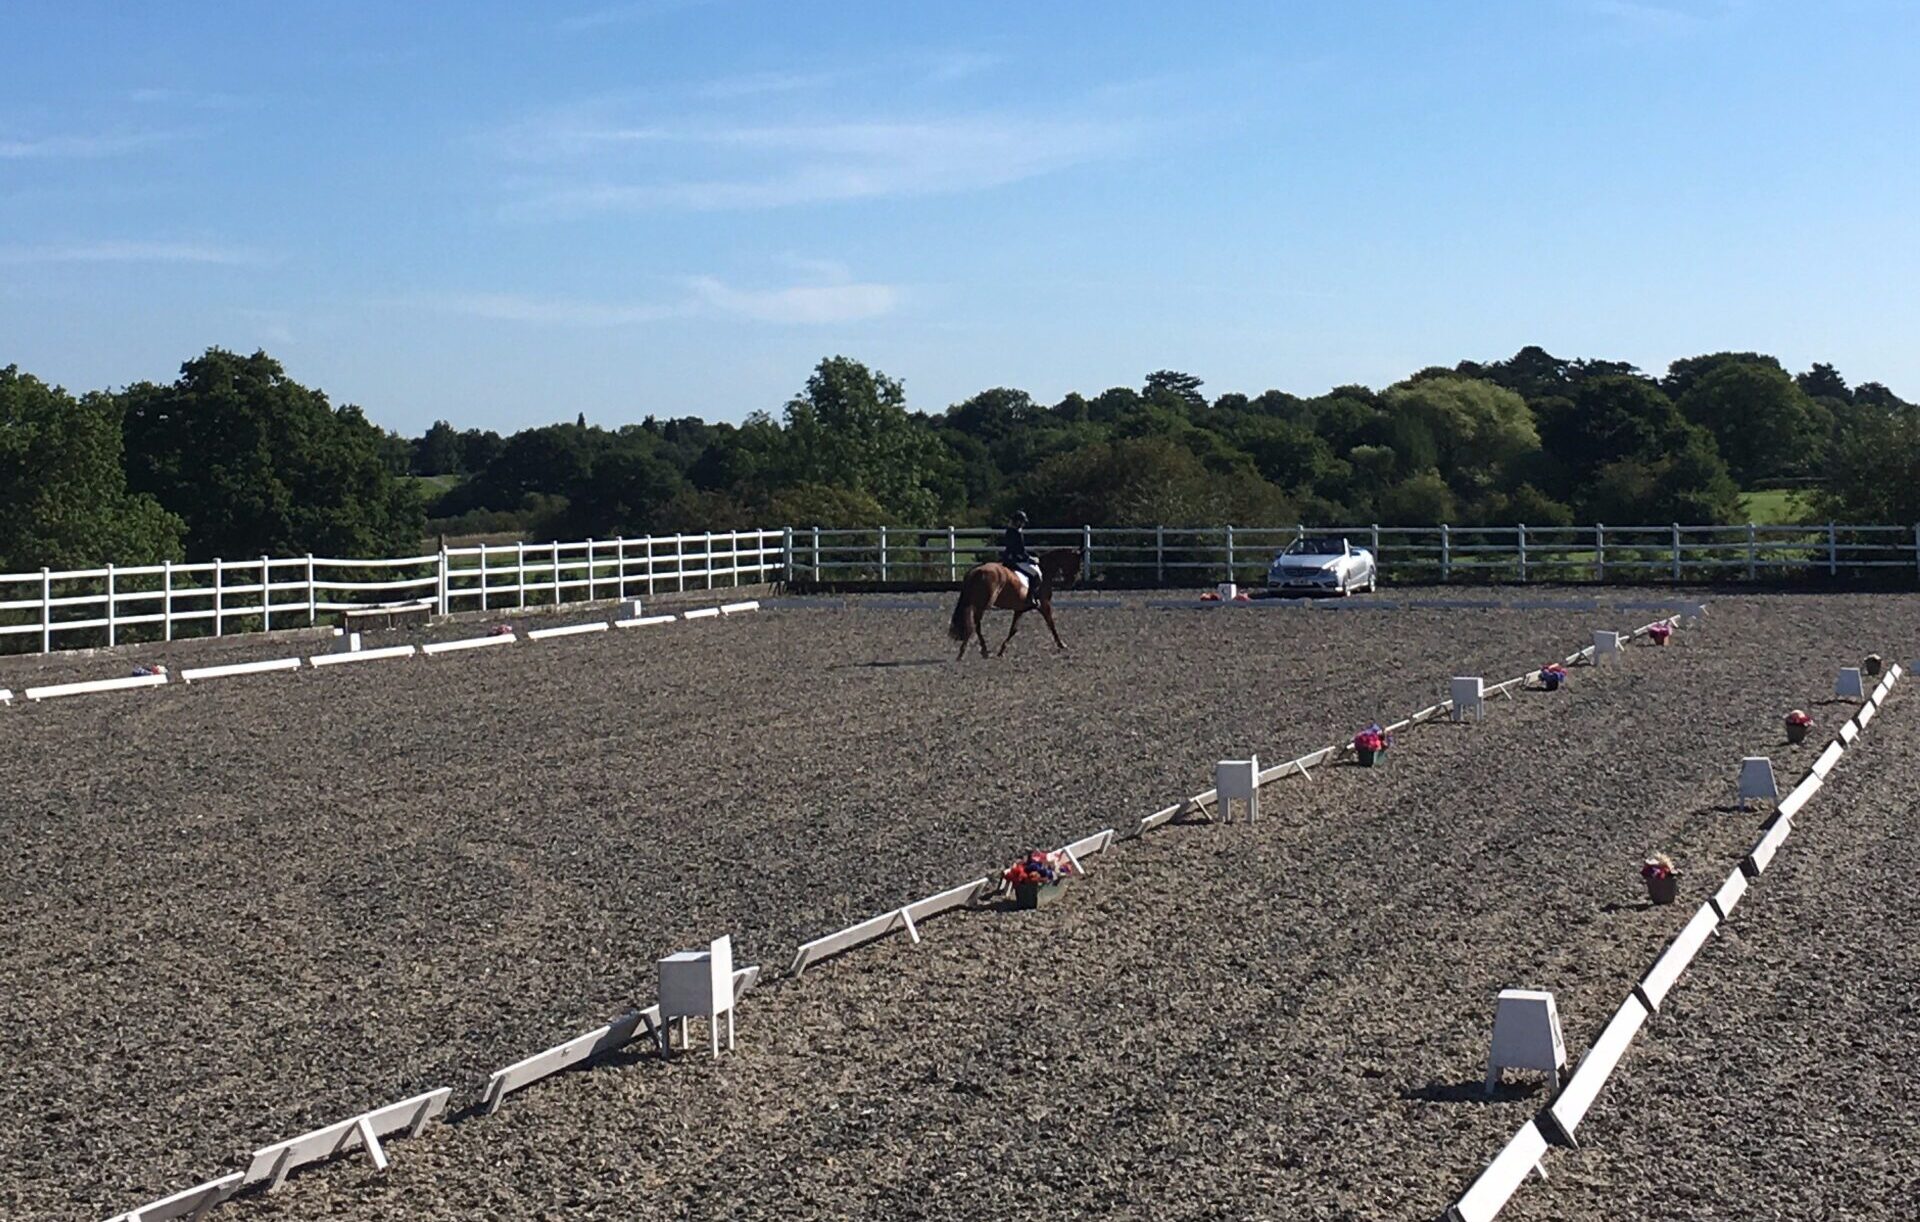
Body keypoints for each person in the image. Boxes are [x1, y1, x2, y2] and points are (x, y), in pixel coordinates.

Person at [1000, 510, 1043, 611]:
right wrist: (1030, 559)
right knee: (1035, 575)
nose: (1023, 524)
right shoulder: (1016, 533)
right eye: (1022, 522)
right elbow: (1020, 551)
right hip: (1016, 560)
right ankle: (1030, 599)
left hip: (1007, 558)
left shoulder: (1009, 531)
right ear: (1018, 522)